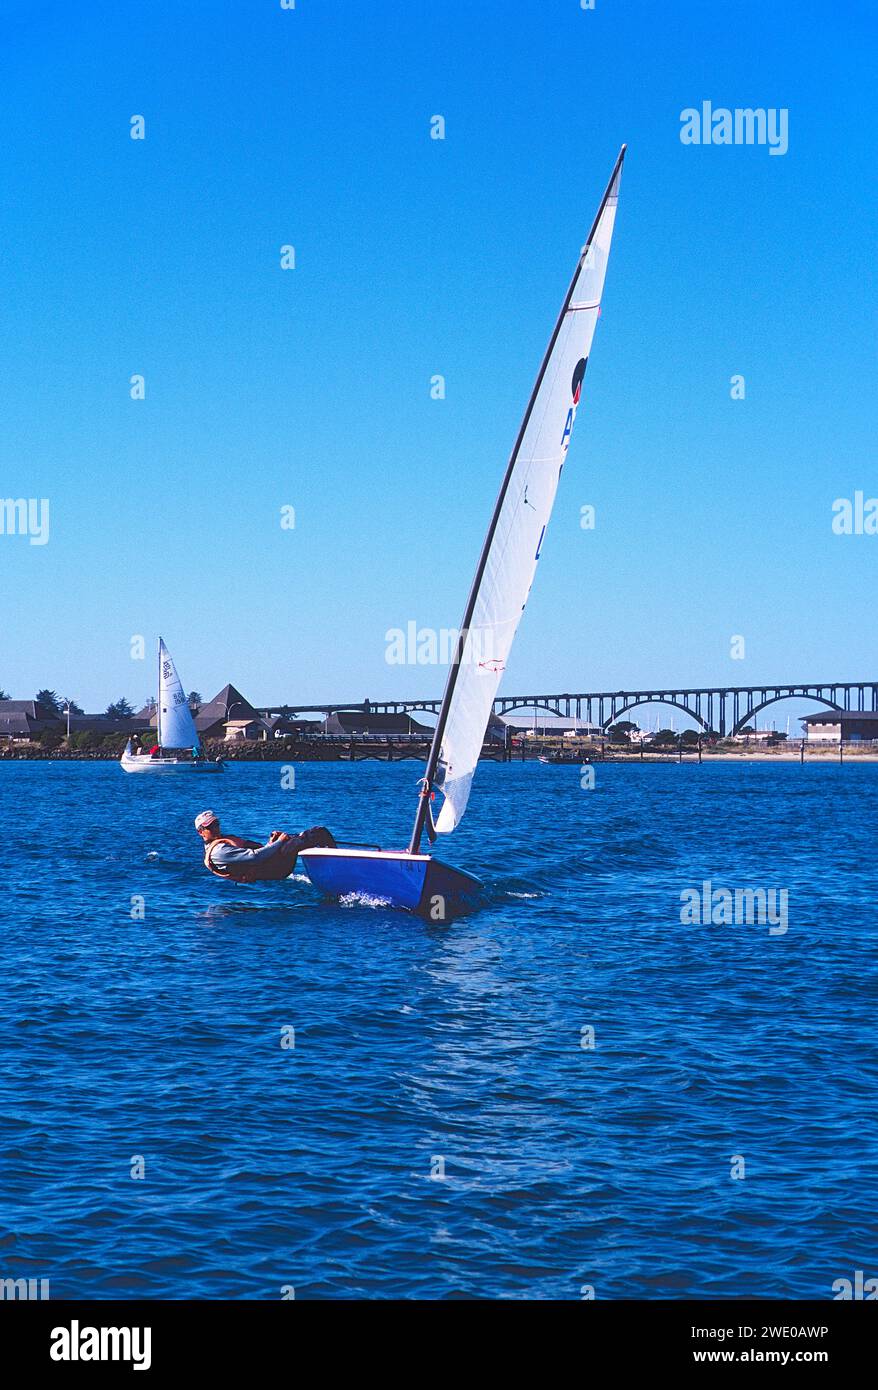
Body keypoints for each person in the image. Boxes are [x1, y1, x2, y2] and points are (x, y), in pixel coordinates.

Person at [195, 810, 336, 884]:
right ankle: (337, 870)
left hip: (271, 863)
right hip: (275, 868)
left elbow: (255, 854)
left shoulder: (222, 843)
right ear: (200, 832)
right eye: (210, 827)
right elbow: (255, 857)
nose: (215, 828)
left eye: (216, 824)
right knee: (318, 832)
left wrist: (271, 843)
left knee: (307, 837)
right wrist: (279, 841)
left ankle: (331, 866)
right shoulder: (218, 852)